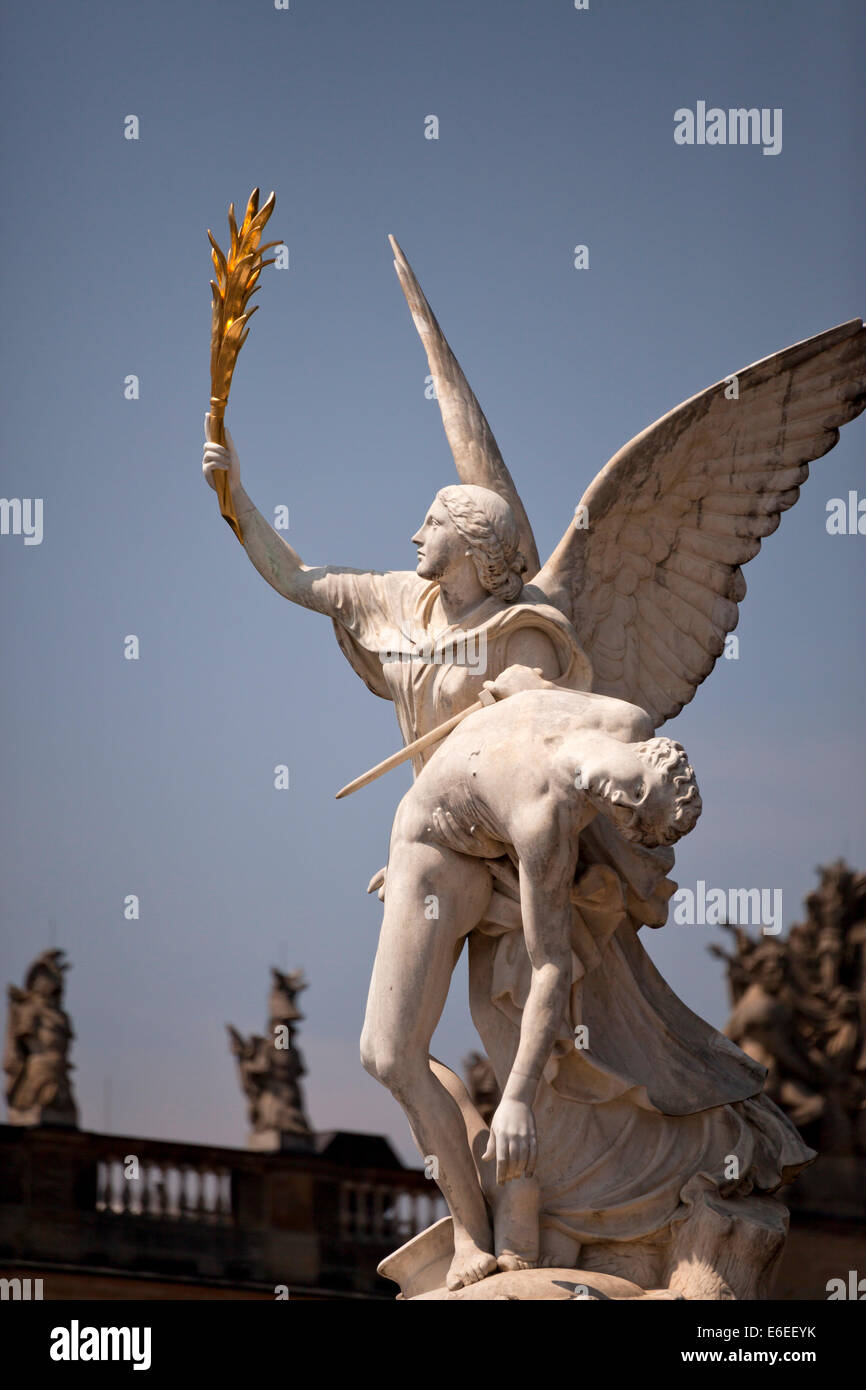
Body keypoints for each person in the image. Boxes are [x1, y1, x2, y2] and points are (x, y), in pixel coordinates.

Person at [359, 672, 701, 1289]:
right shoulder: (626, 716)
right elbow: (524, 679)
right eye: (634, 793)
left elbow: (550, 967)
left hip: (433, 856)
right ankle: (489, 1171)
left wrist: (517, 1098)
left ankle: (471, 1232)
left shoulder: (547, 820)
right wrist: (510, 688)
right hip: (438, 840)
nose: (617, 801)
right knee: (390, 1059)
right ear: (651, 753)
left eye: (625, 814)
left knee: (387, 1057)